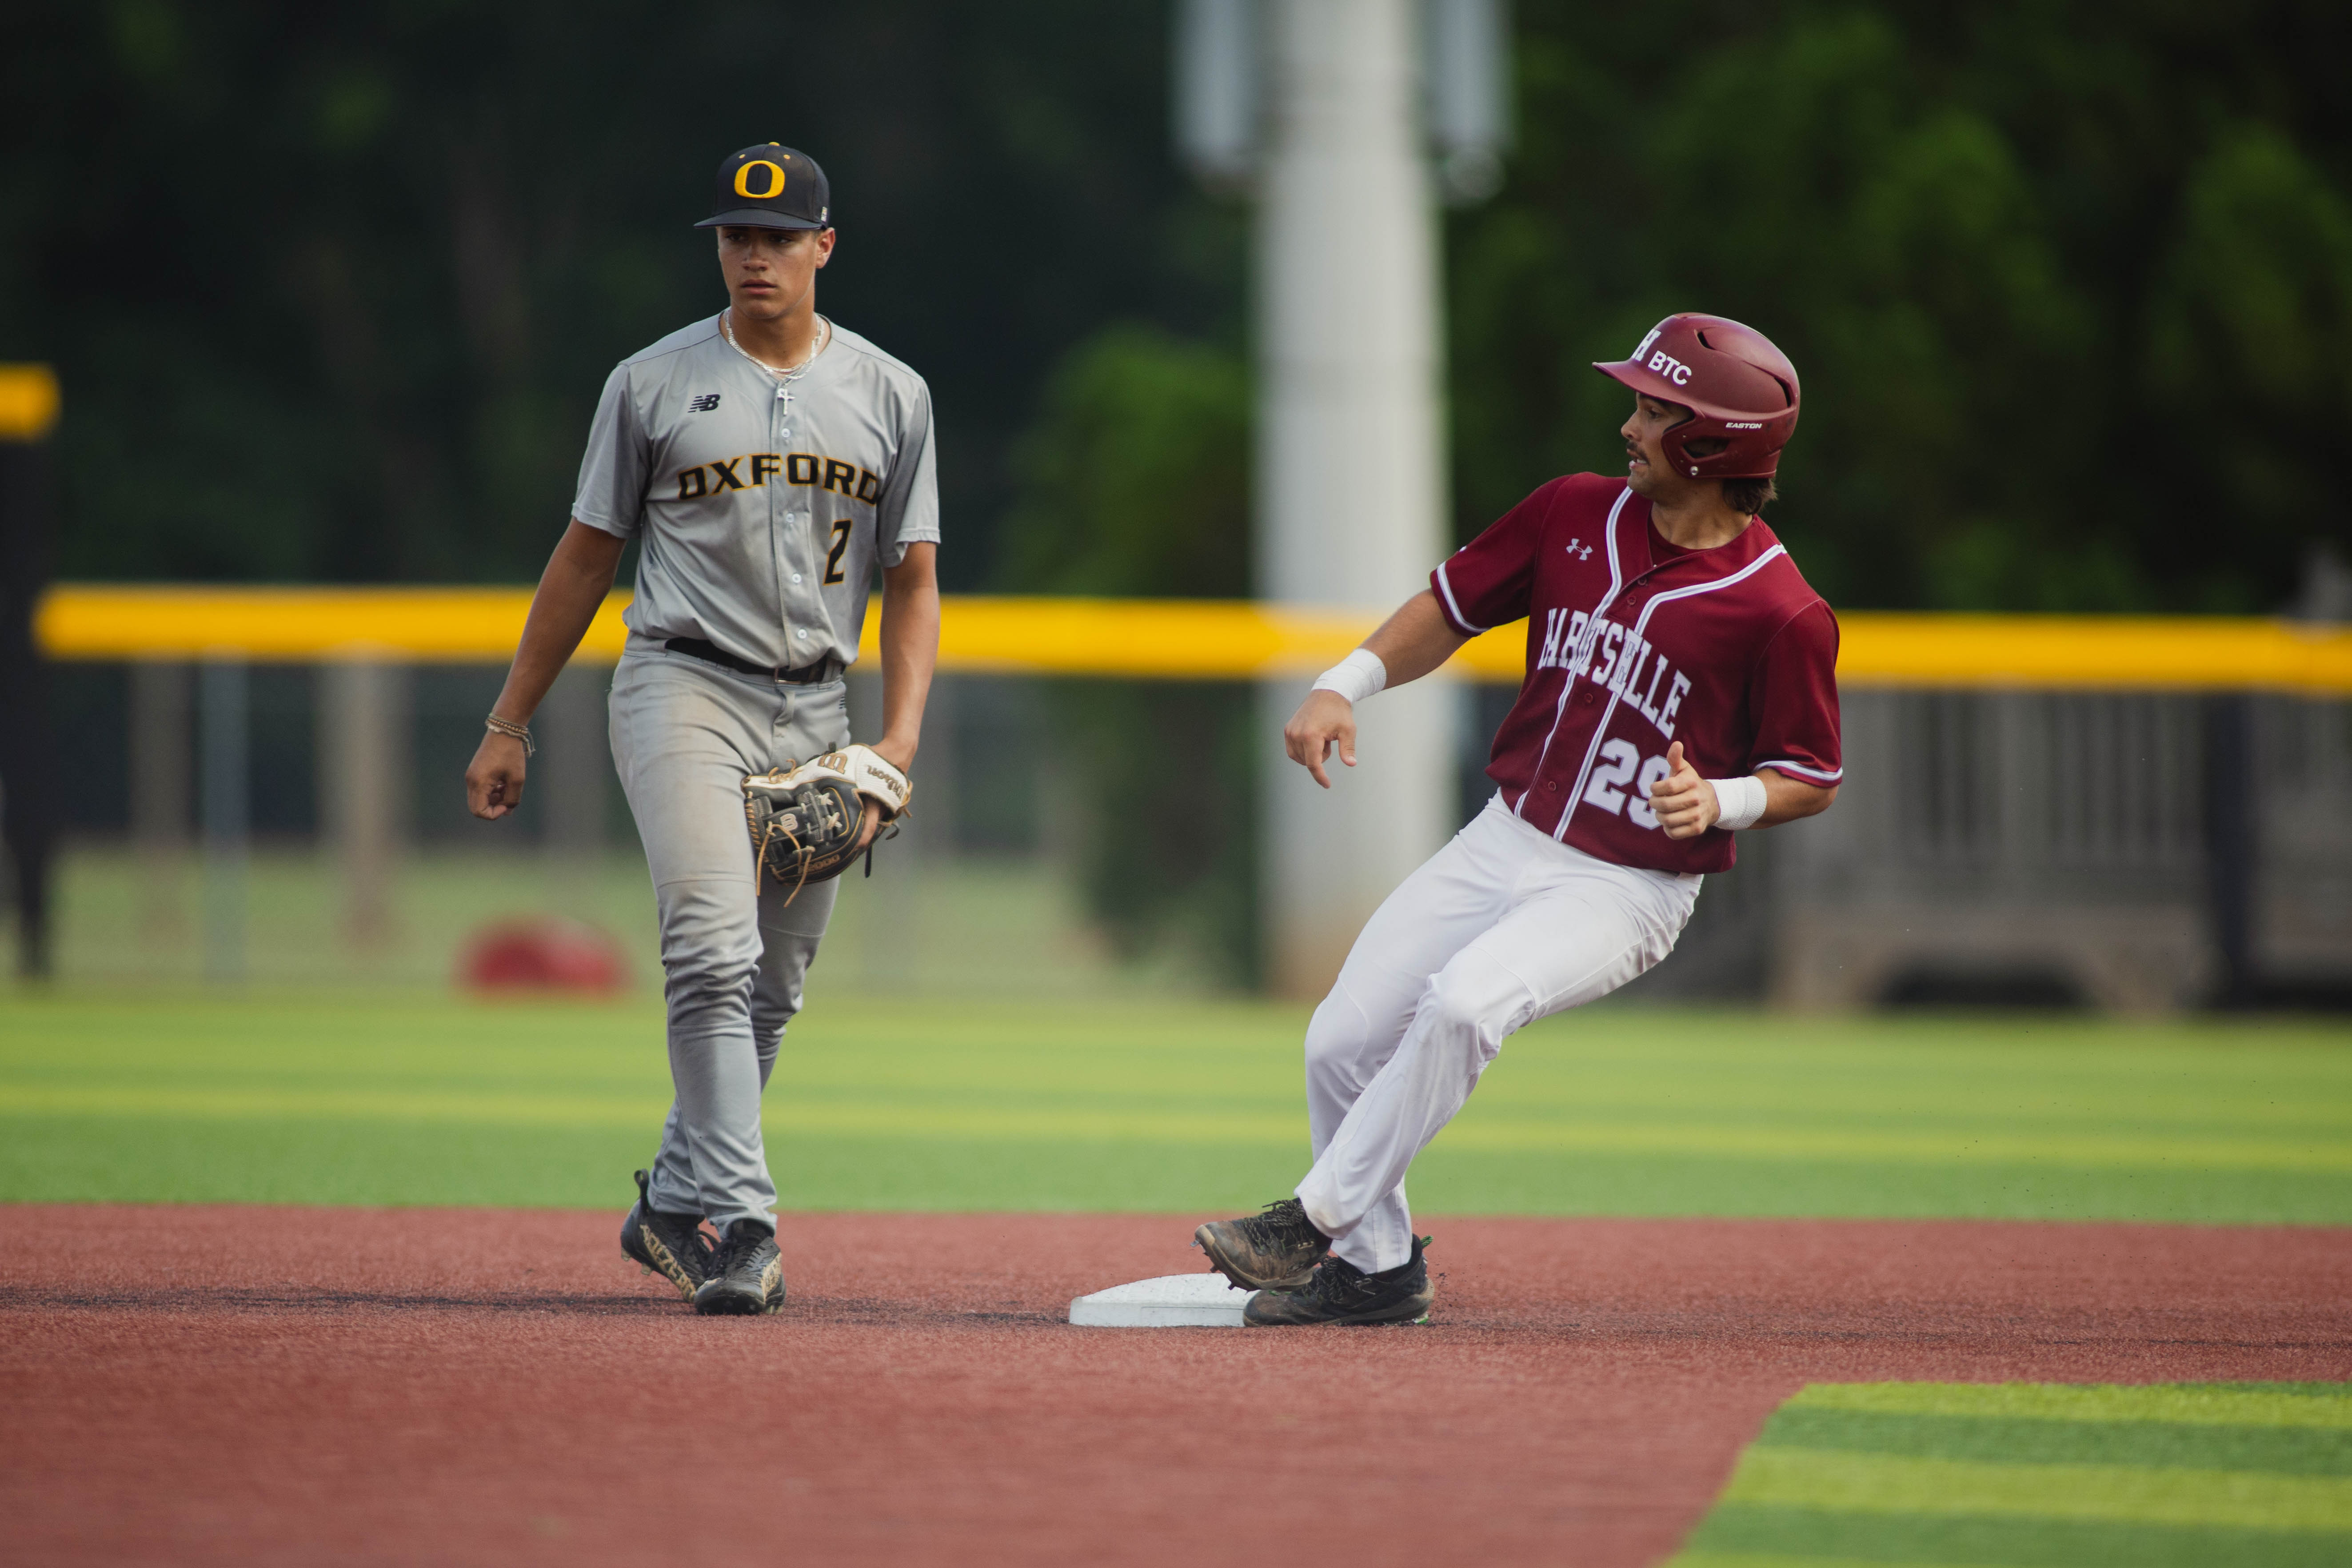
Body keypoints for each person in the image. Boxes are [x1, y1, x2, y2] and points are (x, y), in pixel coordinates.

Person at [1195, 314, 1839, 1325]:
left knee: (1463, 1006)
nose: (1628, 424)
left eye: (1653, 409)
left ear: (1710, 445)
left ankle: (1309, 1223)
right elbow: (1449, 607)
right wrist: (1342, 685)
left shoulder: (1780, 608)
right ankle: (1375, 1271)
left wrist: (1725, 799)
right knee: (1338, 1042)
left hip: (1627, 886)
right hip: (1506, 835)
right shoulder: (1571, 512)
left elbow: (1811, 772)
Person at [465, 144, 940, 1316]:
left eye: (778, 237)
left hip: (819, 707)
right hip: (681, 687)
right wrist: (507, 719)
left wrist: (897, 744)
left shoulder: (892, 394)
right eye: (736, 235)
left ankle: (674, 1201)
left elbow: (914, 581)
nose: (754, 255)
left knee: (770, 988)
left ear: (824, 247)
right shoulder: (650, 383)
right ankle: (744, 1225)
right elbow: (585, 559)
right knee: (708, 952)